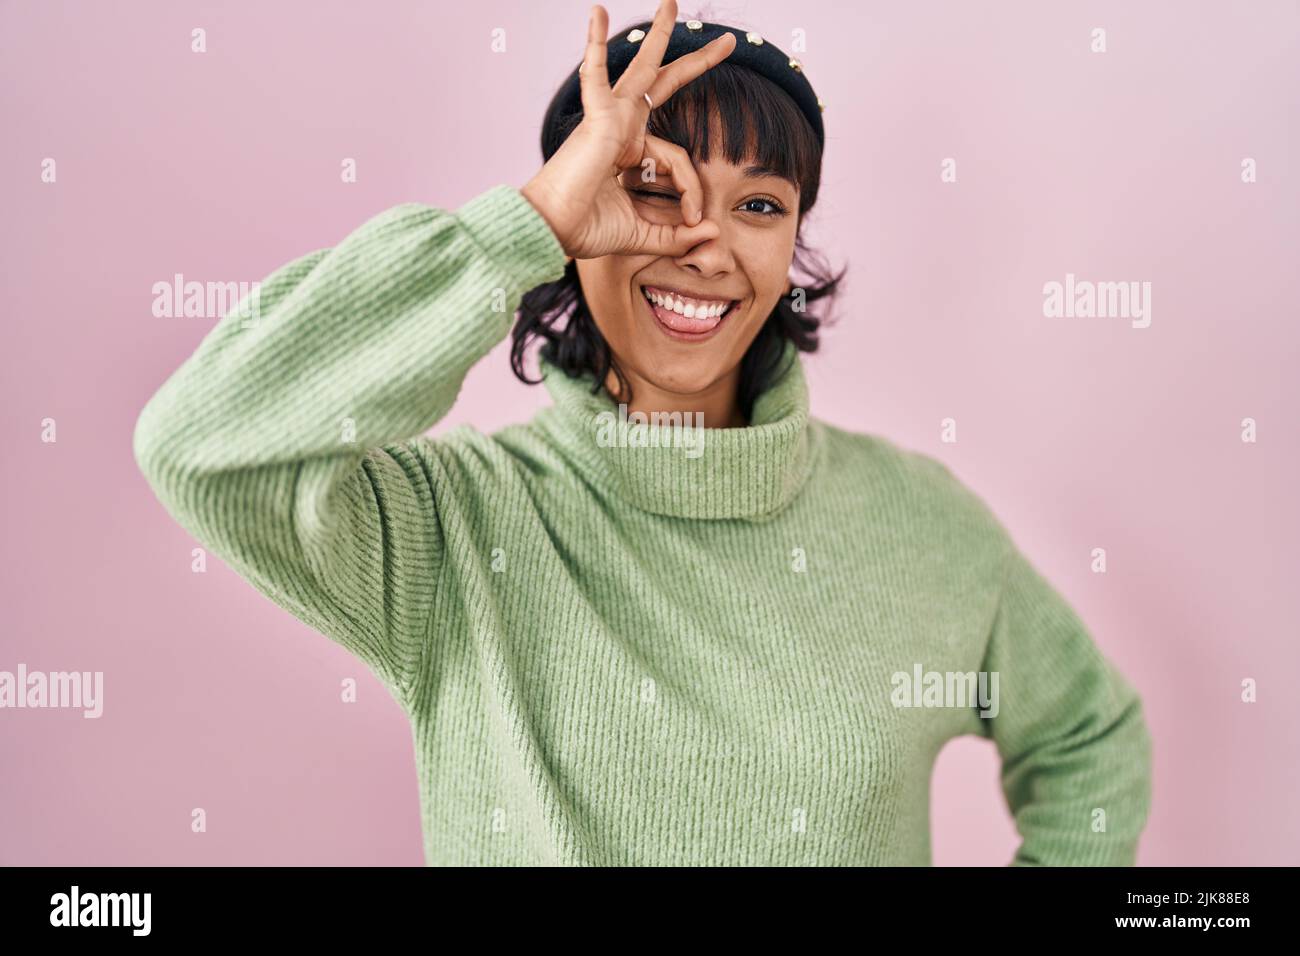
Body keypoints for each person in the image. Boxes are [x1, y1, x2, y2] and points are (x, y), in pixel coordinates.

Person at [133, 0, 1153, 866]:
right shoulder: (450, 528)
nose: (702, 241)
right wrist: (519, 228)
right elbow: (201, 442)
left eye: (758, 202)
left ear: (792, 242)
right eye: (652, 186)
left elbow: (1086, 736)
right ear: (576, 221)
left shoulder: (917, 521)